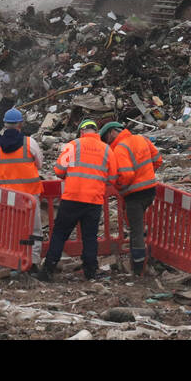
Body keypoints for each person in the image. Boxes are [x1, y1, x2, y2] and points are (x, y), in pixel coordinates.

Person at [39, 119, 115, 281]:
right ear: (96, 132)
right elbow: (113, 177)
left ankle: (48, 269)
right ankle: (91, 271)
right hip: (94, 199)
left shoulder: (73, 145)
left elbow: (59, 170)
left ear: (81, 132)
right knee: (90, 237)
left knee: (60, 234)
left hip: (72, 197)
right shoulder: (106, 149)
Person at [99, 121, 163, 276]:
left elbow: (127, 175)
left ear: (112, 132)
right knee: (140, 227)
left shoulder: (120, 148)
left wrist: (119, 187)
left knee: (136, 231)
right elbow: (158, 160)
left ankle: (138, 267)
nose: (107, 142)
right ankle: (144, 261)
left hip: (134, 195)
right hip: (150, 191)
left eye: (106, 138)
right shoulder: (141, 139)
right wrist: (146, 174)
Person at [0, 107, 44, 264]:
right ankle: (32, 262)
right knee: (33, 231)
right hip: (29, 195)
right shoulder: (29, 142)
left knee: (11, 230)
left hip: (7, 197)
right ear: (20, 124)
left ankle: (13, 259)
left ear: (5, 124)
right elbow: (39, 164)